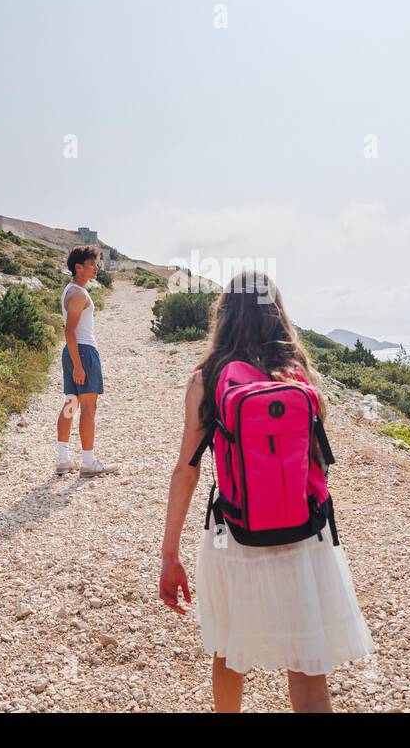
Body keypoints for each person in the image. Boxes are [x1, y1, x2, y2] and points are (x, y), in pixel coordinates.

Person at [158, 271, 373, 712]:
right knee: (308, 666)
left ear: (224, 314)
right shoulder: (297, 373)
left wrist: (169, 554)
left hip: (231, 531)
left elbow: (187, 469)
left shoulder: (208, 377)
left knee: (229, 652)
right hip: (303, 532)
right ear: (277, 312)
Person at [55, 245, 116, 477]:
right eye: (92, 264)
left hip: (72, 352)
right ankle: (88, 462)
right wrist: (79, 365)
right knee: (89, 409)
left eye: (96, 263)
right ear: (78, 267)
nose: (96, 267)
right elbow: (69, 331)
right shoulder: (78, 294)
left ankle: (63, 459)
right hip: (82, 352)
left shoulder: (71, 290)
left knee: (71, 403)